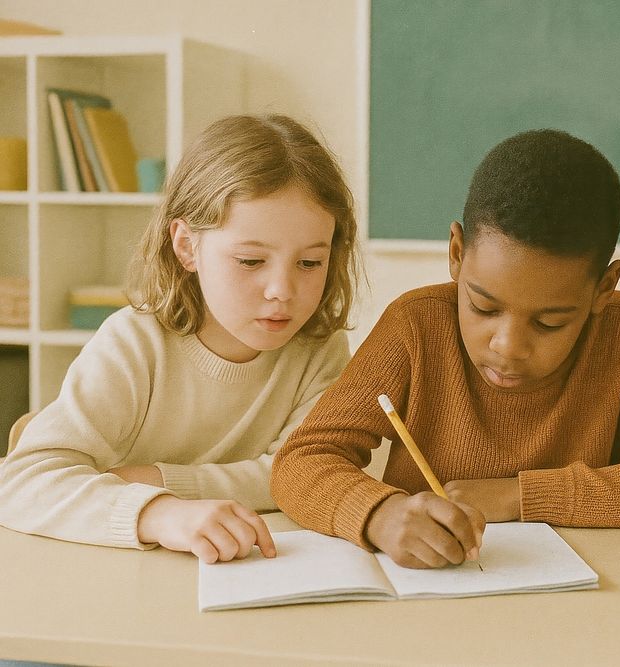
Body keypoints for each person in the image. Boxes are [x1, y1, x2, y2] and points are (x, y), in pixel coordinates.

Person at [272, 128, 620, 568]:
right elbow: (300, 462)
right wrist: (379, 513)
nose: (508, 346)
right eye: (483, 306)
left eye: (550, 322)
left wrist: (521, 496)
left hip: (579, 599)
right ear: (456, 253)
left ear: (604, 287)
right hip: (432, 592)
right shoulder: (416, 325)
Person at [0, 114, 360, 563]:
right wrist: (160, 513)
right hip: (117, 572)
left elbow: (302, 473)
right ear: (187, 246)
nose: (282, 291)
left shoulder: (319, 350)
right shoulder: (134, 344)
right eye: (250, 261)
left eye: (309, 263)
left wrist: (158, 479)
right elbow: (20, 481)